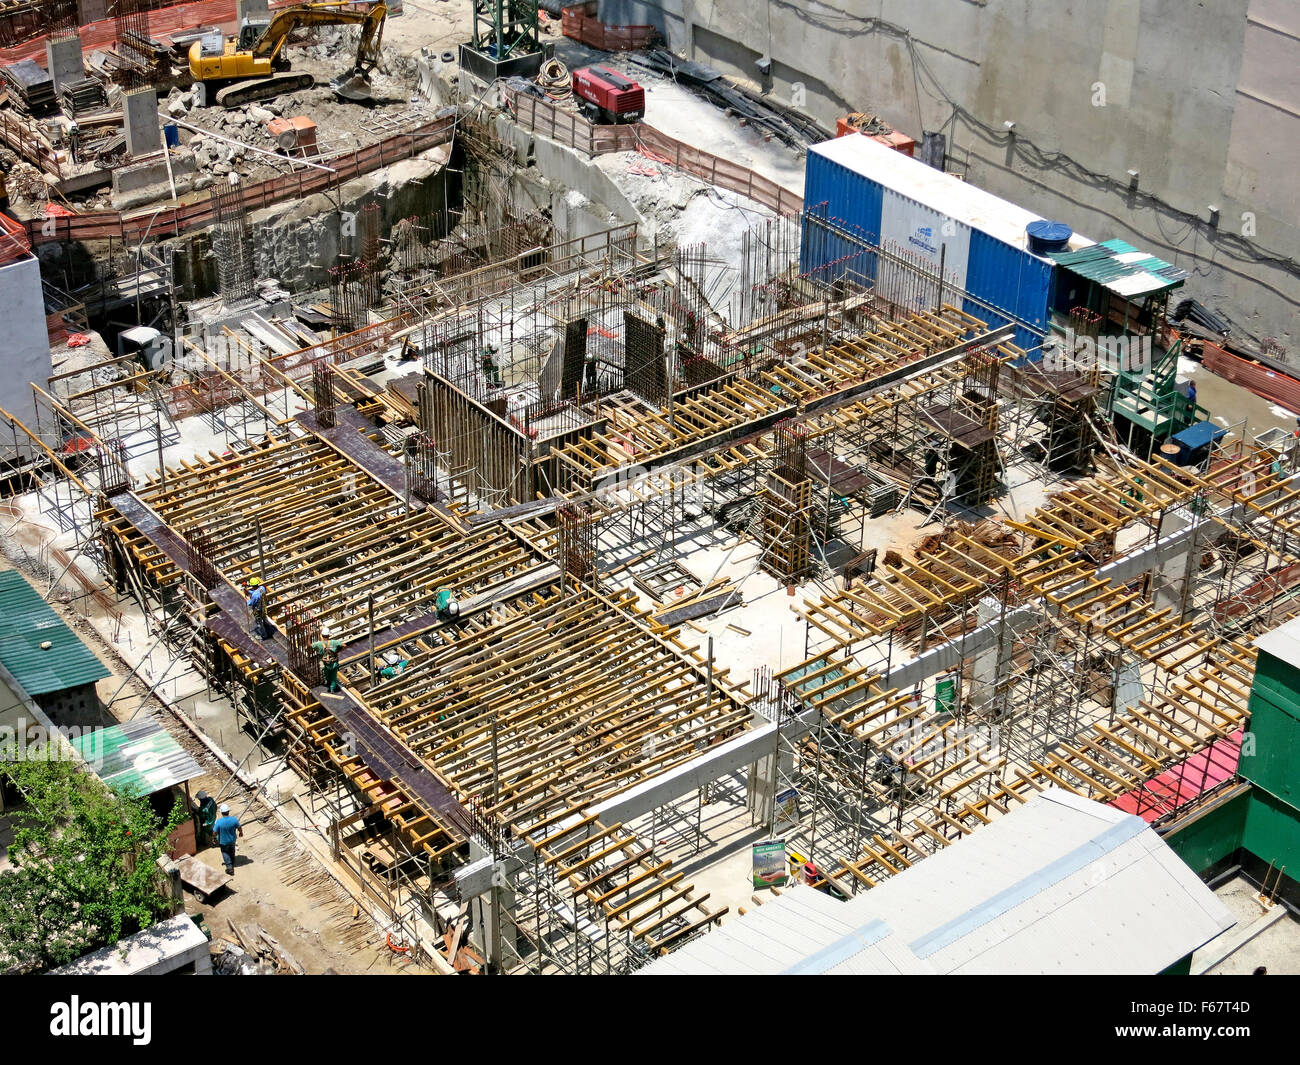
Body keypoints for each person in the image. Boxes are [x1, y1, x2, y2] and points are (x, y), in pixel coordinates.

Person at [312, 624, 345, 693]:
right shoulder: (334, 642)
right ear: (329, 635)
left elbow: (310, 645)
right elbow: (344, 645)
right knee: (333, 677)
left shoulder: (319, 644)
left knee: (327, 675)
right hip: (334, 663)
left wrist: (309, 636)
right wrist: (337, 651)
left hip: (325, 663)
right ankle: (332, 688)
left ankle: (328, 683)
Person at [213, 803, 243, 876]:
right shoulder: (234, 820)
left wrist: (213, 838)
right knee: (232, 851)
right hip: (232, 840)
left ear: (221, 812)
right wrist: (241, 833)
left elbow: (214, 832)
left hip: (223, 842)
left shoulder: (219, 822)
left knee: (225, 853)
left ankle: (229, 868)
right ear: (228, 811)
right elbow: (239, 827)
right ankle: (232, 862)